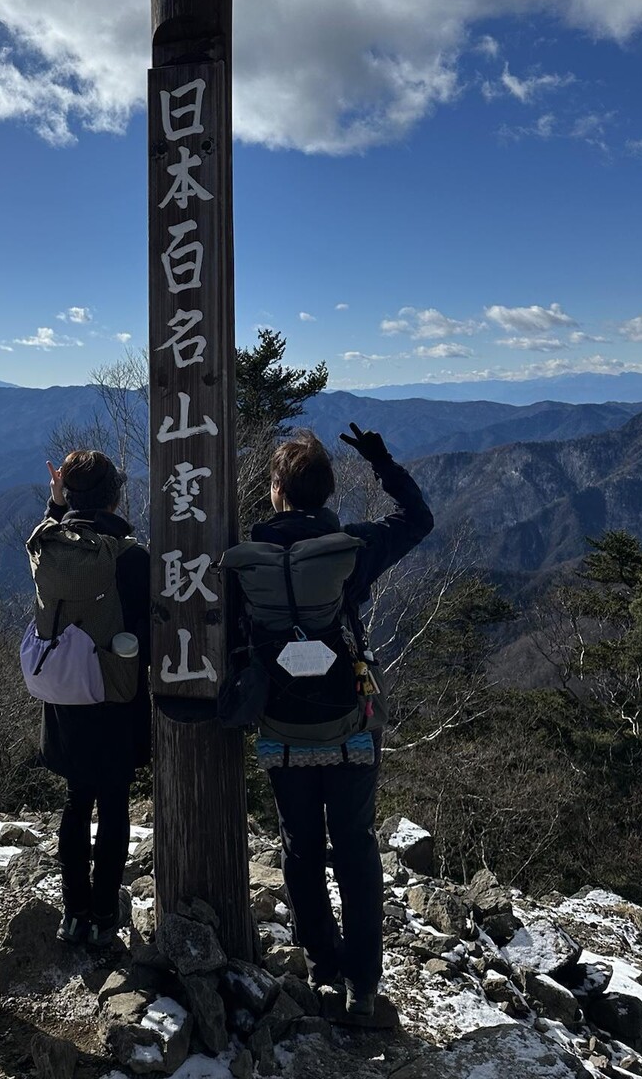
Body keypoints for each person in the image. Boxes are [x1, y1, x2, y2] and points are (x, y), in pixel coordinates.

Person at [251, 424, 432, 1018]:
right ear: (328, 495)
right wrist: (381, 459)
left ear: (276, 490)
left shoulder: (249, 557)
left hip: (281, 722)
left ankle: (322, 968)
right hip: (349, 721)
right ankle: (364, 985)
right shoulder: (351, 546)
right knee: (354, 846)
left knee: (300, 846)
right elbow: (418, 518)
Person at [34, 450, 151, 947]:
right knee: (115, 804)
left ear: (69, 495)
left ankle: (73, 913)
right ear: (116, 495)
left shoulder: (44, 548)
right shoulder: (131, 557)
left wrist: (56, 503)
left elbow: (51, 532)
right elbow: (147, 626)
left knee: (76, 800)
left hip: (64, 691)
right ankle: (106, 916)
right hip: (115, 694)